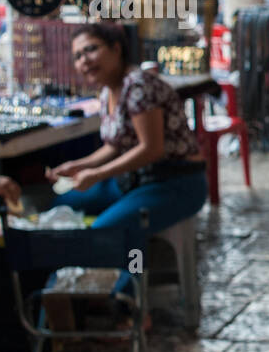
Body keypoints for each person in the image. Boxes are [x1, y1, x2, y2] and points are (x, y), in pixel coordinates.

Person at [46, 23, 208, 300]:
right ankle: (69, 292)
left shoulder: (138, 86)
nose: (84, 61)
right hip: (136, 180)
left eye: (91, 50)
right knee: (64, 203)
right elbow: (114, 146)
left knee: (108, 229)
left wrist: (97, 175)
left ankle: (128, 304)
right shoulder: (108, 91)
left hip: (175, 181)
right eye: (78, 56)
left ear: (116, 49)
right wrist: (81, 166)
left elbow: (151, 149)